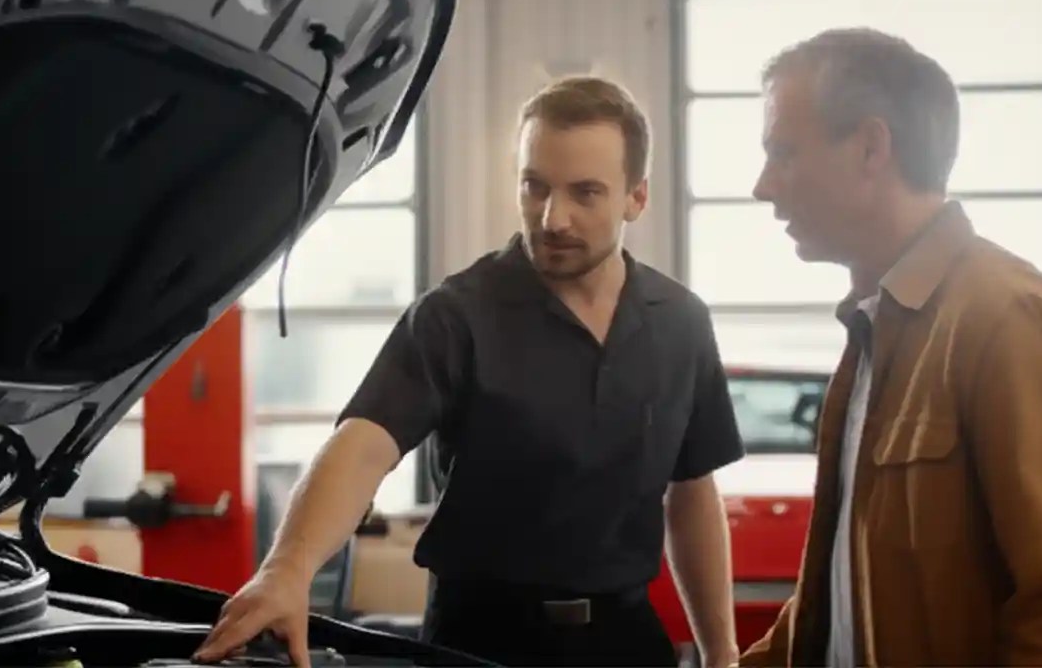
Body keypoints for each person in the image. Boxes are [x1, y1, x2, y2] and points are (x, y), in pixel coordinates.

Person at [194, 76, 745, 668]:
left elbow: (692, 494)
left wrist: (722, 653)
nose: (553, 218)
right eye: (535, 187)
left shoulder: (681, 322)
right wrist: (287, 569)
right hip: (480, 640)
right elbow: (362, 446)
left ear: (636, 197)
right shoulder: (456, 316)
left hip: (626, 640)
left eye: (585, 193)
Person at [737, 28, 1042, 667]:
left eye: (783, 152)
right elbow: (842, 601)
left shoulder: (1008, 322)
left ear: (870, 147)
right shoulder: (876, 332)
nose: (763, 185)